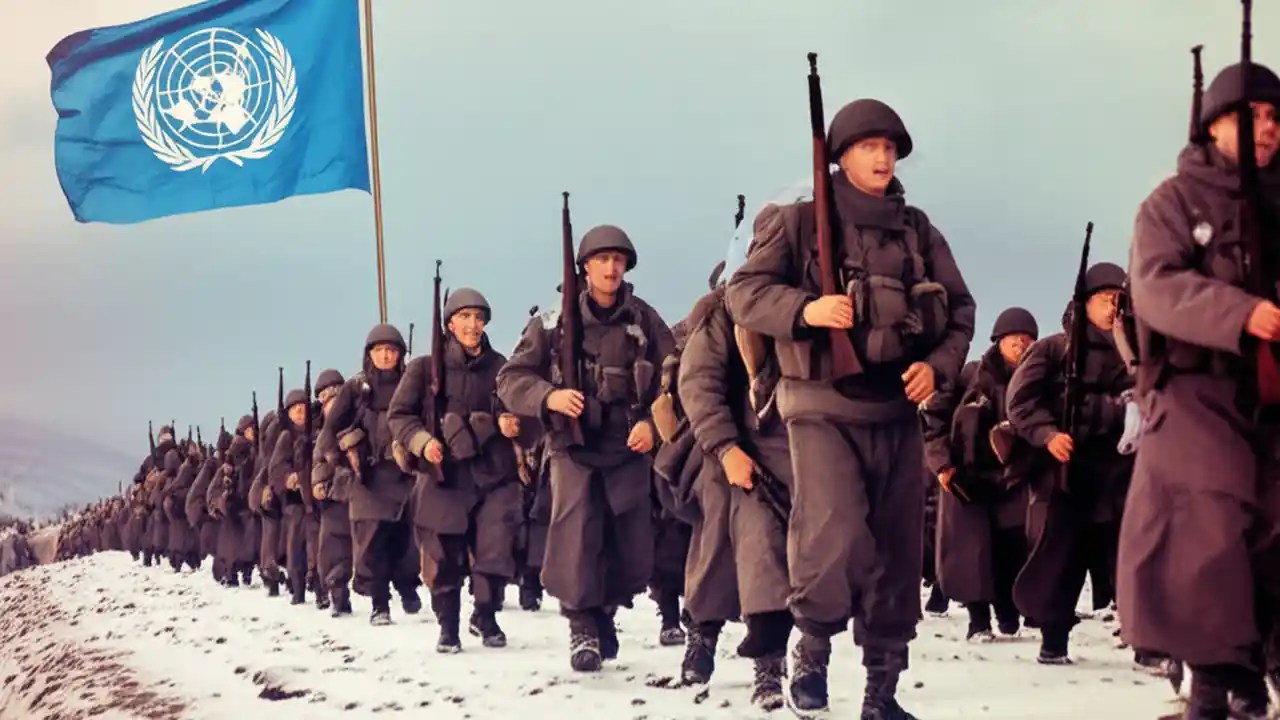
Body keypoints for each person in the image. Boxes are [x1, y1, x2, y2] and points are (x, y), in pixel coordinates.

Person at [726, 97, 975, 717]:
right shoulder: (798, 220)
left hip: (895, 409)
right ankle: (810, 655)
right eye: (870, 146)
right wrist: (806, 312)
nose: (883, 156)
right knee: (831, 534)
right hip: (819, 404)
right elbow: (744, 294)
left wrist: (935, 368)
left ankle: (881, 690)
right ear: (840, 156)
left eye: (890, 148)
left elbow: (962, 312)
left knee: (895, 550)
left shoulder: (918, 229)